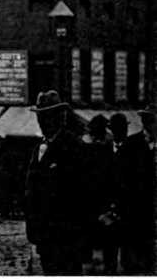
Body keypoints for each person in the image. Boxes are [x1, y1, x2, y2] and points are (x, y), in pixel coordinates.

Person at [24, 90, 88, 275]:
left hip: (66, 233)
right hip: (44, 233)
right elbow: (31, 190)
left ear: (59, 117)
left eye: (47, 116)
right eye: (40, 116)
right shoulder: (39, 148)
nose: (42, 122)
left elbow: (82, 190)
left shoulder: (73, 146)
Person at [111, 107, 157, 273]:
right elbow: (119, 181)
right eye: (150, 120)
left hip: (152, 222)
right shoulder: (131, 146)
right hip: (134, 221)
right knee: (133, 267)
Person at [81, 114, 116, 273]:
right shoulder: (106, 146)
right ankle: (104, 263)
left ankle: (91, 259)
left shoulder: (86, 145)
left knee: (91, 227)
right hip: (100, 193)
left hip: (92, 193)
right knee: (102, 229)